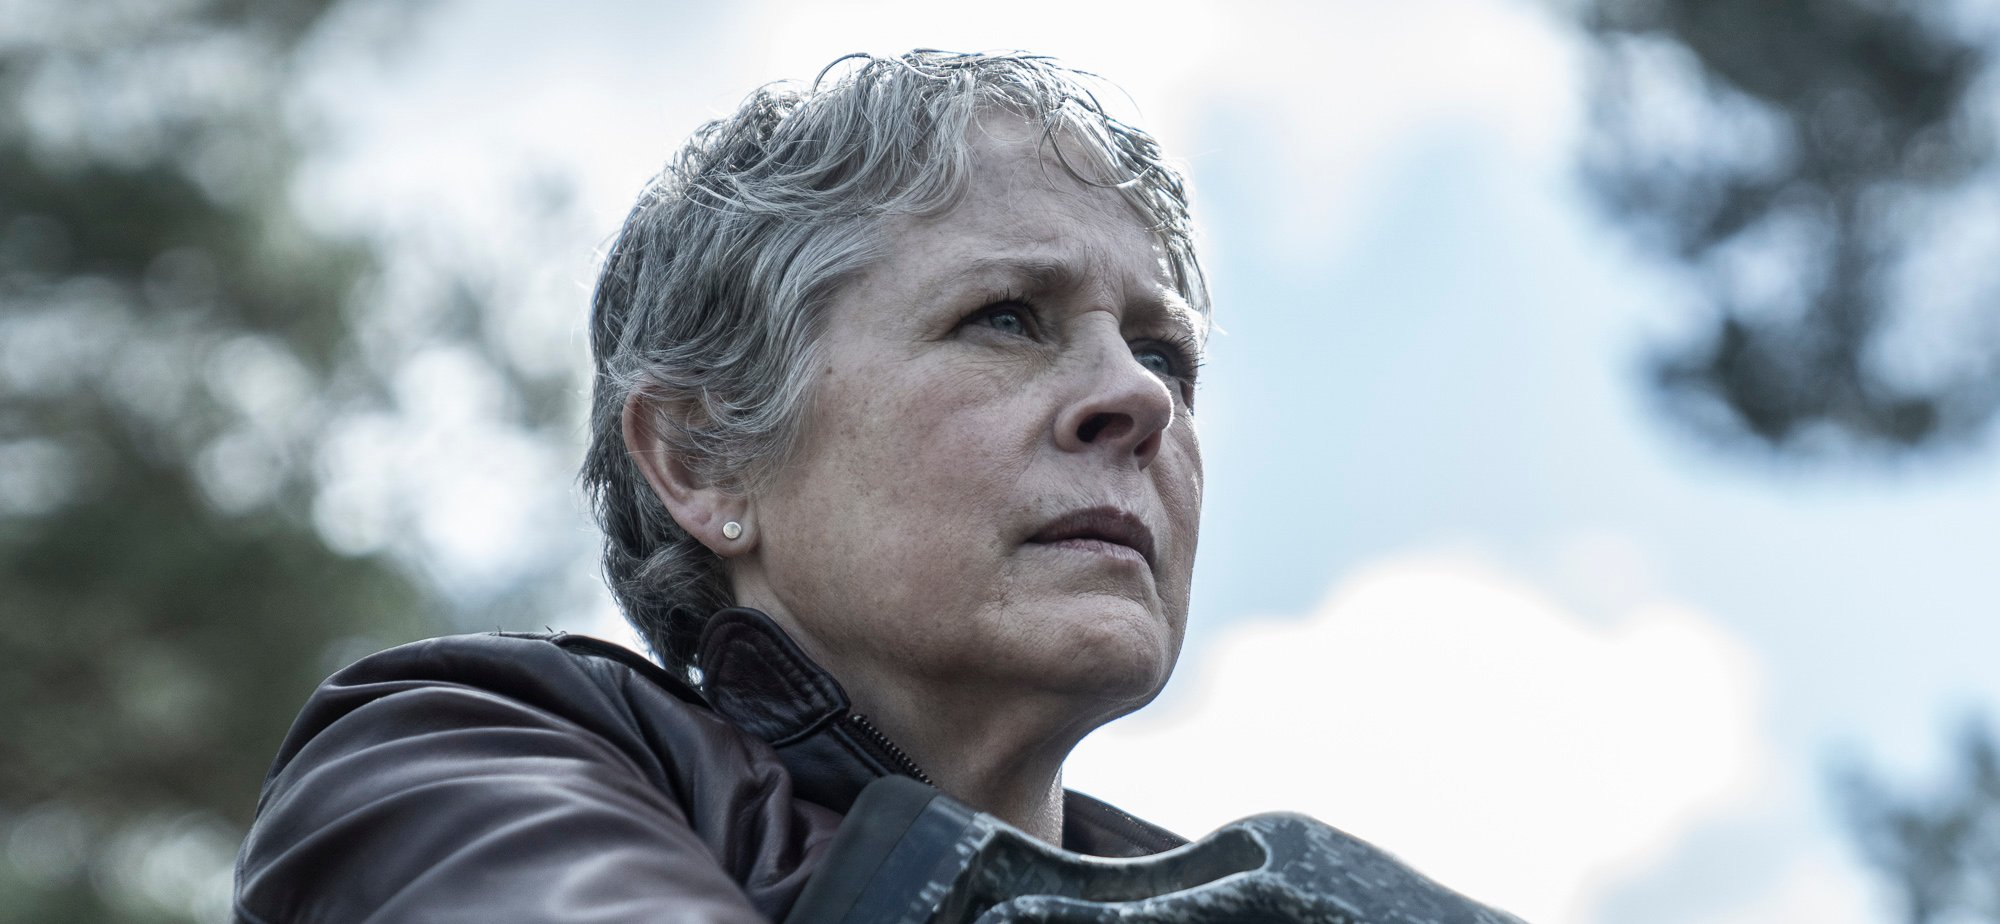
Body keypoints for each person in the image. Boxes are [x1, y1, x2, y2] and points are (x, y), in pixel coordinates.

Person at [233, 50, 1207, 923]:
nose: (1139, 396)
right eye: (1004, 319)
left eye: (1161, 354)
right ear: (704, 459)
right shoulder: (453, 760)